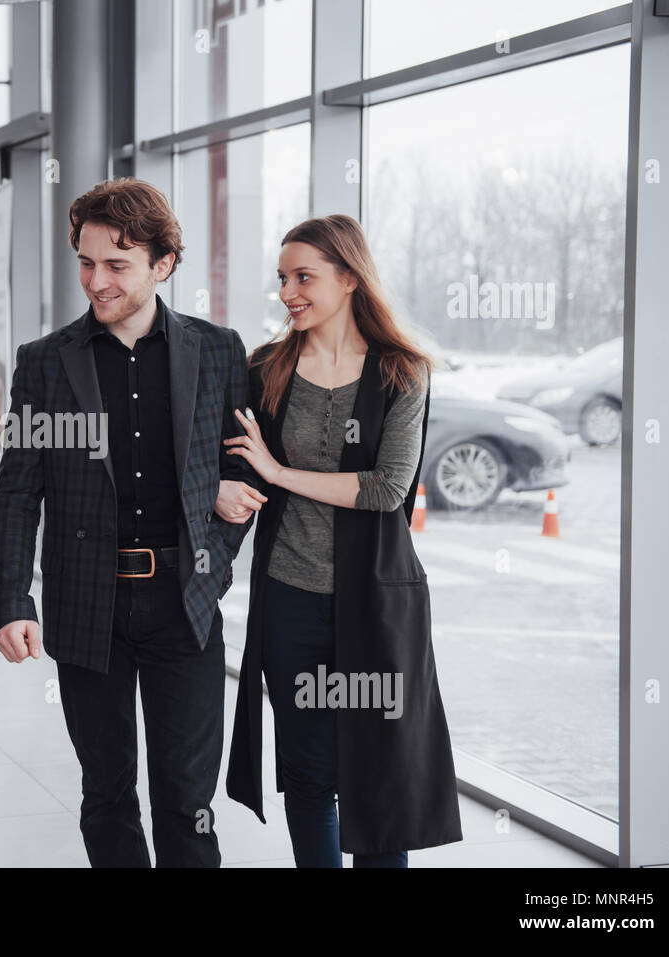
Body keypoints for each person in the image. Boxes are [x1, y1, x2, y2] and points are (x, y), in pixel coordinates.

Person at [0, 177, 261, 867]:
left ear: (162, 264)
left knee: (186, 800)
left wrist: (217, 554)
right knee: (106, 793)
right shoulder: (45, 363)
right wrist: (12, 599)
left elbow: (247, 466)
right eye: (86, 261)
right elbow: (19, 488)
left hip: (184, 605)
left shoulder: (220, 350)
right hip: (87, 606)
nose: (96, 280)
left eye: (116, 264)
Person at [220, 213, 463, 866]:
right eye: (282, 278)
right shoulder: (266, 368)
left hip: (377, 602)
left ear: (350, 277)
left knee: (380, 779)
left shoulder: (401, 371)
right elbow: (227, 468)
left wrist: (278, 471)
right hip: (291, 596)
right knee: (309, 771)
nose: (288, 292)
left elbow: (386, 489)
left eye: (305, 277)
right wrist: (235, 483)